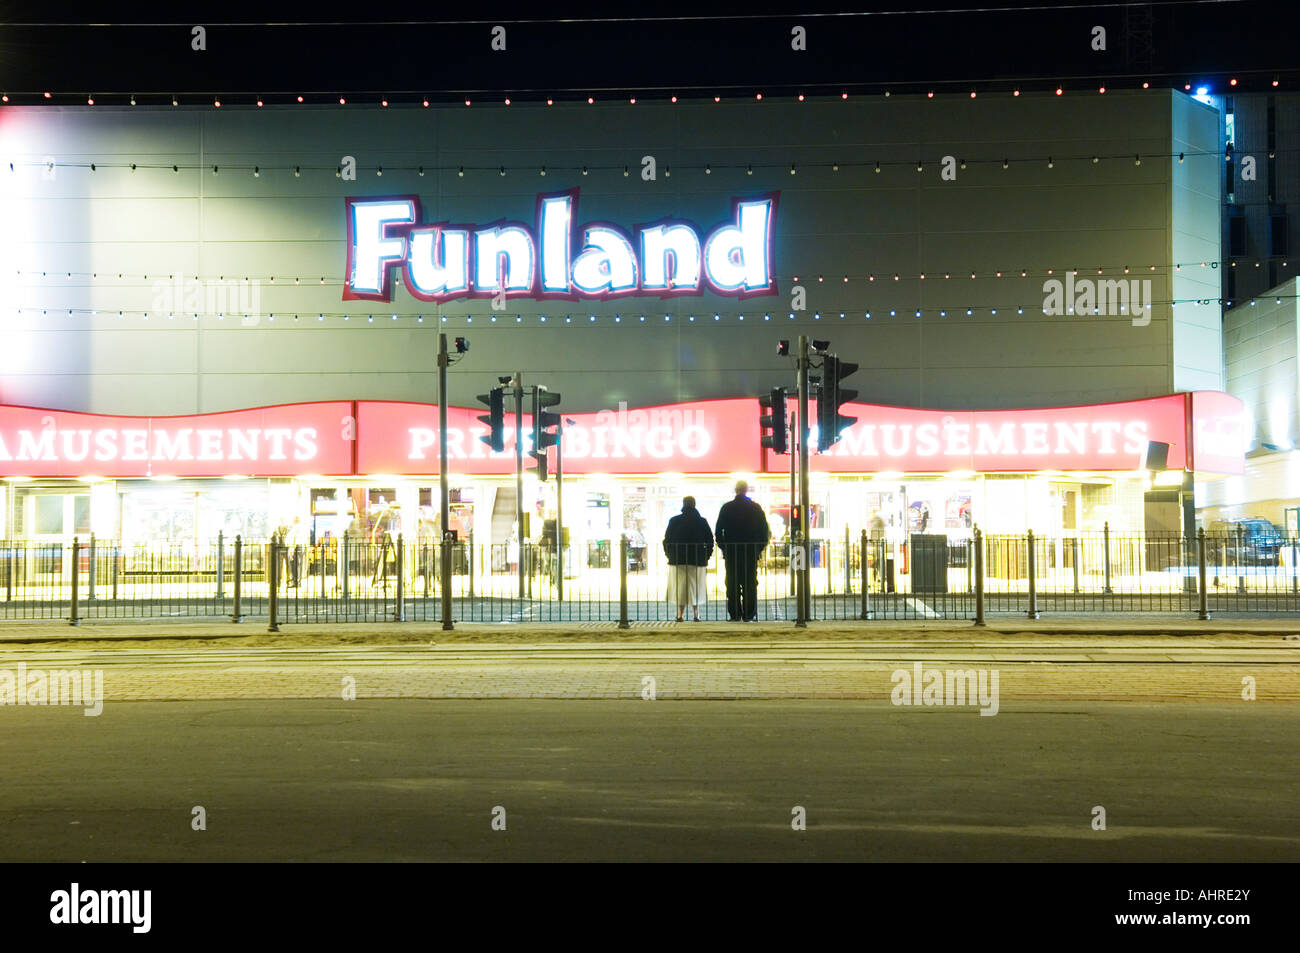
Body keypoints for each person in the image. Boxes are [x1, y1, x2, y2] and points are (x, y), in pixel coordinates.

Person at [715, 480, 770, 621]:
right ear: (746, 490)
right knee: (750, 583)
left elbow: (718, 530)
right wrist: (758, 548)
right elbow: (764, 531)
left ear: (736, 490)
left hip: (732, 551)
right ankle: (749, 614)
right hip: (750, 551)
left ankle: (735, 614)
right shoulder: (756, 508)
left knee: (732, 583)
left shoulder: (726, 508)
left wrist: (724, 547)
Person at [663, 496, 713, 622]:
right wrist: (706, 556)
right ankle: (696, 614)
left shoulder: (674, 521)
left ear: (683, 505)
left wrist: (670, 555)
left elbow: (667, 540)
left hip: (678, 559)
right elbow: (710, 540)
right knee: (696, 586)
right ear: (694, 505)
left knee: (681, 587)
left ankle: (680, 614)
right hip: (697, 559)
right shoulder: (702, 521)